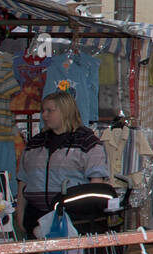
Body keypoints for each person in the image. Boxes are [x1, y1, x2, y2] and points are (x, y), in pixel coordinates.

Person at [16, 89, 109, 236]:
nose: (44, 115)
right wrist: (20, 214)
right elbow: (23, 180)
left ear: (65, 112)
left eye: (49, 111)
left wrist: (90, 216)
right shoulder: (35, 142)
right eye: (43, 110)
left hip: (74, 219)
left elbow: (96, 183)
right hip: (35, 217)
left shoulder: (87, 141)